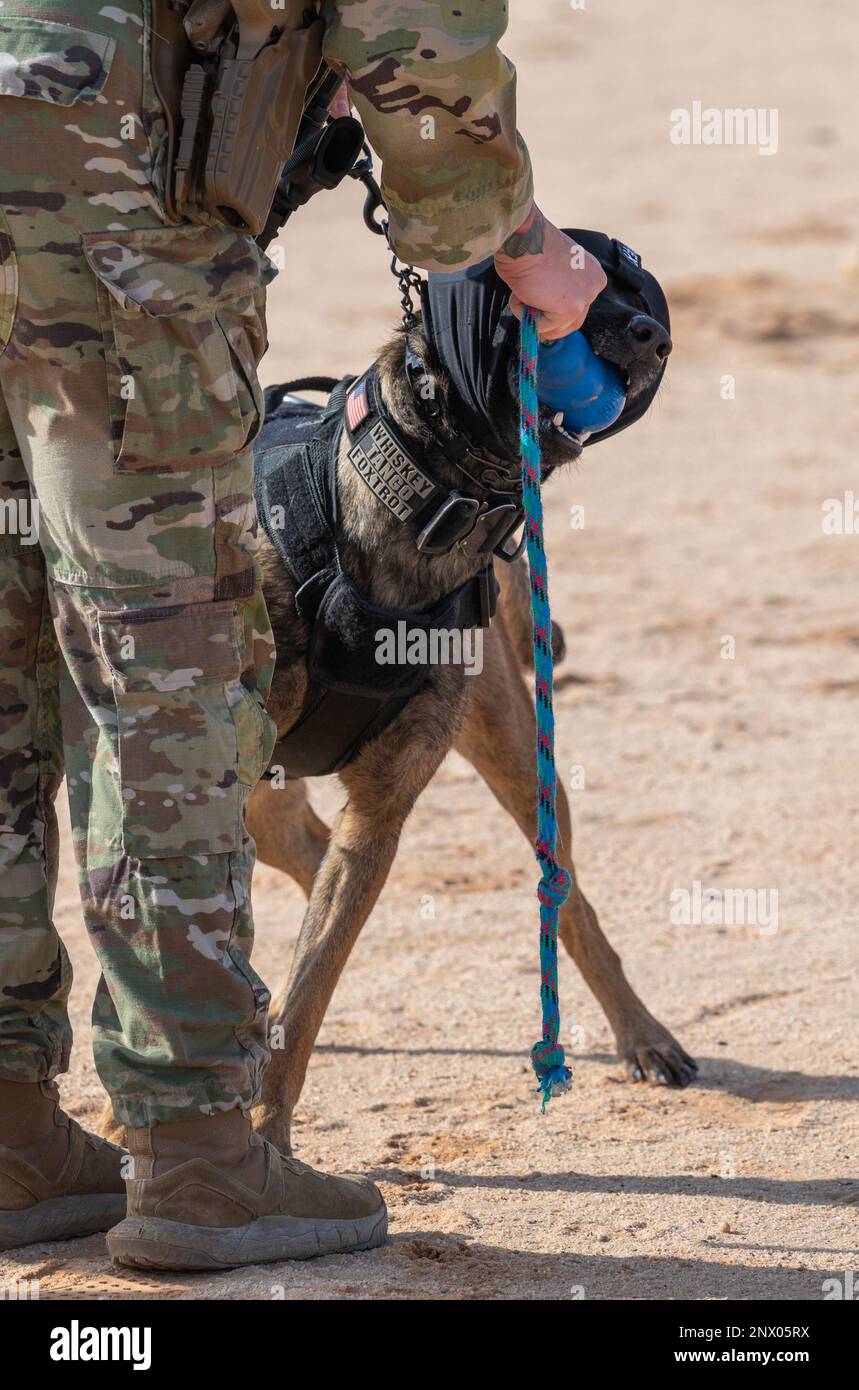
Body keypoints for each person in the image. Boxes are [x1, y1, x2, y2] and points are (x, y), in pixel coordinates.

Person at [0, 0, 605, 1270]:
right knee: (166, 680)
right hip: (117, 227)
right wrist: (516, 241)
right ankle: (200, 1150)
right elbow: (417, 41)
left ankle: (8, 1128)